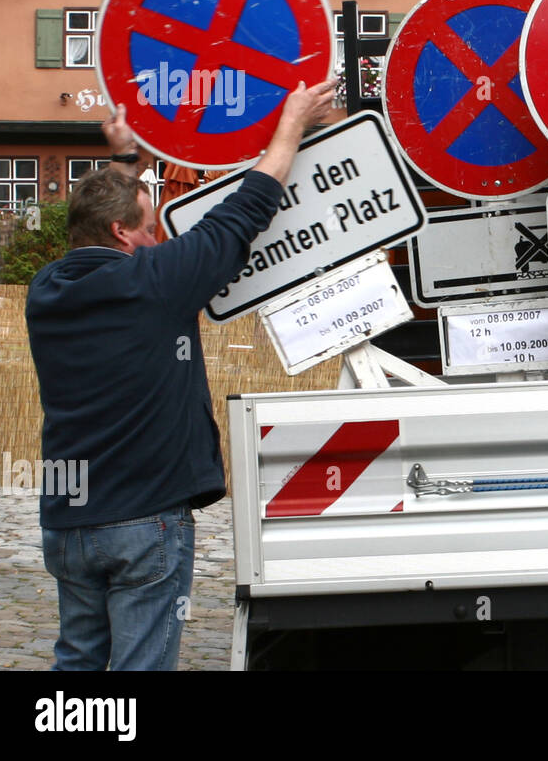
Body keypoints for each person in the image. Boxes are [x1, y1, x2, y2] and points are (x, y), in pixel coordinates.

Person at [27, 78, 336, 670]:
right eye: (148, 228)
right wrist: (290, 125)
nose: (157, 238)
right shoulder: (155, 282)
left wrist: (126, 160)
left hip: (68, 522)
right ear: (122, 234)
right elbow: (244, 211)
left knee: (79, 667)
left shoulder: (46, 291)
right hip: (142, 518)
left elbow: (118, 218)